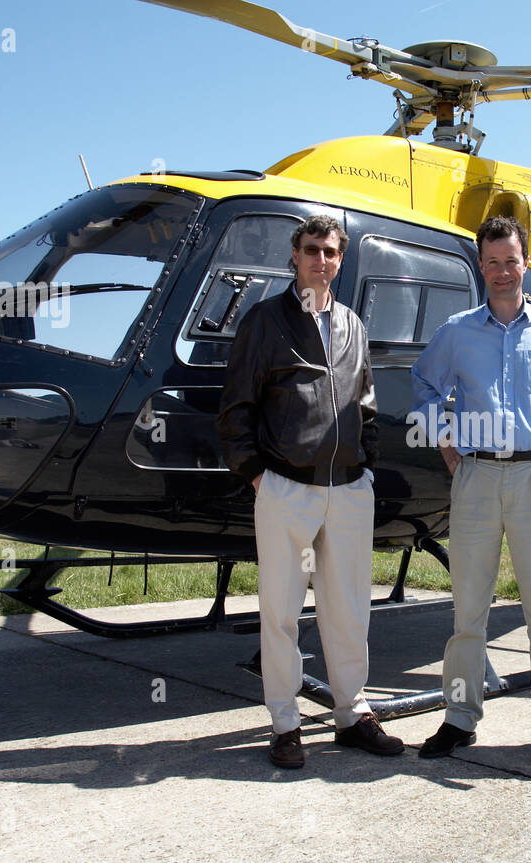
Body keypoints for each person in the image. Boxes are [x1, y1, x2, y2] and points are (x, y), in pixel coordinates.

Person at [411, 215, 531, 764]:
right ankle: (458, 718)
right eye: (492, 261)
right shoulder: (456, 331)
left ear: (527, 263)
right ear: (482, 265)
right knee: (467, 609)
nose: (502, 271)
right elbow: (424, 384)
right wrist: (444, 438)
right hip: (474, 478)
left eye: (511, 260)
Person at [216, 214, 403, 769]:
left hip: (347, 492)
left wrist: (366, 465)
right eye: (312, 250)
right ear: (294, 256)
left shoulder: (351, 325)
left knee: (348, 611)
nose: (322, 260)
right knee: (280, 611)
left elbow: (366, 402)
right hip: (286, 491)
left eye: (331, 252)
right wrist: (258, 476)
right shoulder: (263, 322)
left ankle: (352, 713)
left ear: (341, 261)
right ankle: (285, 723)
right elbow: (236, 409)